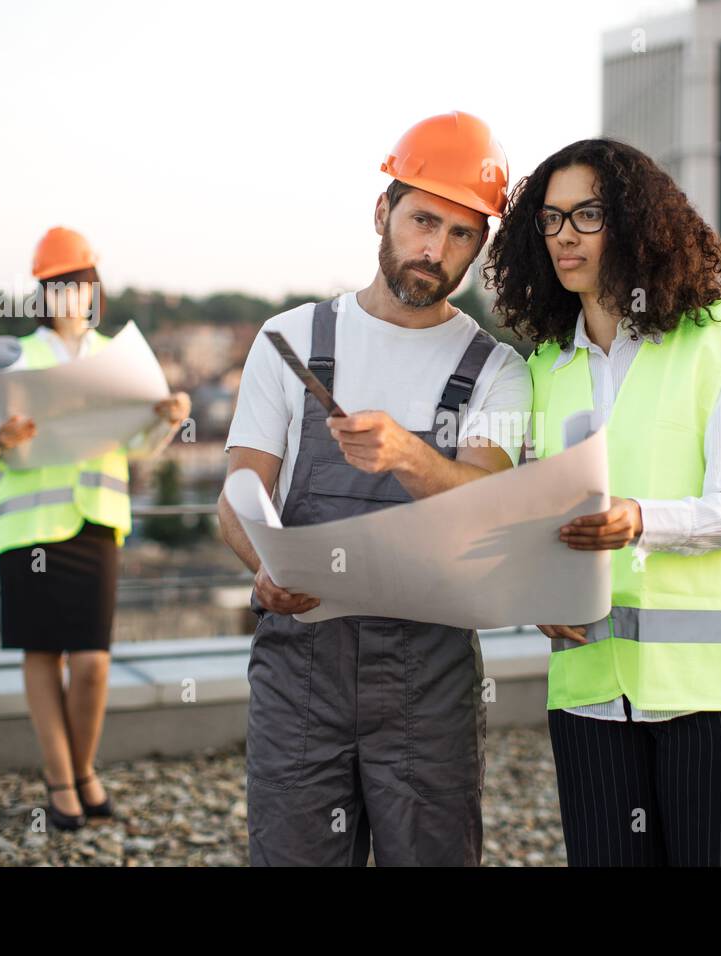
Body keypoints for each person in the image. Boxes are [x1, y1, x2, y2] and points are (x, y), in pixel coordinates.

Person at [217, 112, 531, 866]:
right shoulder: (289, 341)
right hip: (301, 670)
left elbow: (487, 506)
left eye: (463, 235)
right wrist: (260, 563)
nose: (437, 250)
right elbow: (238, 493)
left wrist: (408, 456)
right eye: (424, 220)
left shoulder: (500, 371)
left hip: (428, 683)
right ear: (383, 212)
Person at [484, 139, 721, 866]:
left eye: (587, 214)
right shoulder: (543, 368)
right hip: (591, 697)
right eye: (550, 218)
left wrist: (639, 519)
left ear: (634, 223)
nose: (564, 233)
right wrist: (534, 588)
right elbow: (533, 518)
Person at [0, 226, 191, 829]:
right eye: (59, 285)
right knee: (42, 653)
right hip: (29, 528)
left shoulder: (115, 358)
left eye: (81, 284)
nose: (72, 295)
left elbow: (140, 447)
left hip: (95, 522)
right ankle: (63, 779)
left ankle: (82, 768)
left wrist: (169, 419)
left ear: (94, 290)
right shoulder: (15, 358)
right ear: (42, 292)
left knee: (92, 659)